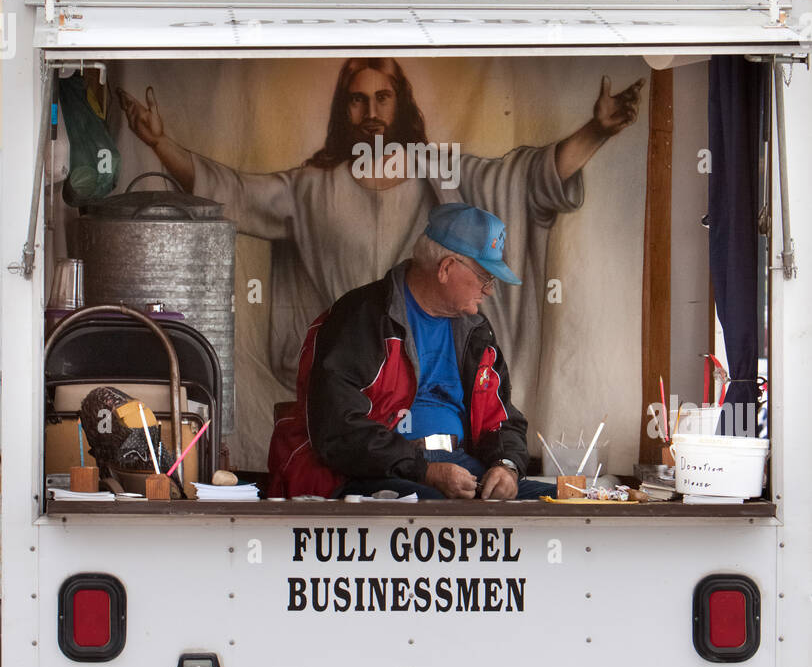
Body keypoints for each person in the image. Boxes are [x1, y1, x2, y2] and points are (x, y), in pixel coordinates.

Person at [117, 58, 643, 415]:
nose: (370, 112)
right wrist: (161, 146)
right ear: (343, 110)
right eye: (357, 100)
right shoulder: (311, 189)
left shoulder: (443, 174)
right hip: (351, 376)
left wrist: (594, 132)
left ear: (401, 103)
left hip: (433, 374)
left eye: (383, 97)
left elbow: (524, 179)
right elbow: (233, 192)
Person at [268, 203, 552, 500]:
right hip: (374, 474)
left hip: (460, 471)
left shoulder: (476, 331)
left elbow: (503, 418)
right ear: (446, 268)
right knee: (437, 511)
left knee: (557, 503)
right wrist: (425, 471)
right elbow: (339, 428)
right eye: (485, 277)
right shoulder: (362, 317)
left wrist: (506, 467)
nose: (489, 290)